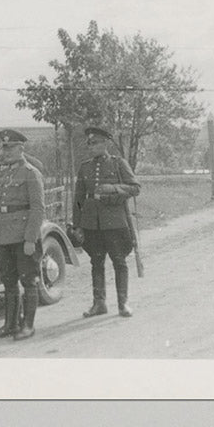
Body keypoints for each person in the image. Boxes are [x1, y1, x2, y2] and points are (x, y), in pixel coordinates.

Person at [73, 126, 141, 318]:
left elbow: (135, 188)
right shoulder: (85, 167)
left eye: (95, 143)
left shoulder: (118, 163)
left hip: (114, 222)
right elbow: (78, 199)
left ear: (105, 144)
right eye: (89, 144)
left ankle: (123, 303)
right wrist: (77, 225)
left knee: (119, 261)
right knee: (96, 262)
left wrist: (113, 188)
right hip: (91, 223)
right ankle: (99, 303)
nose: (91, 147)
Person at [0, 129, 45, 340]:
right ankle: (10, 325)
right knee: (9, 282)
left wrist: (30, 238)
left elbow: (37, 208)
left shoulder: (31, 173)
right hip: (4, 236)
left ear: (21, 148)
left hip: (22, 236)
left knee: (29, 281)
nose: (7, 152)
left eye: (11, 148)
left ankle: (28, 325)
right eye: (4, 148)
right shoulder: (3, 174)